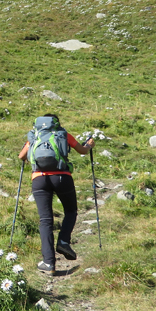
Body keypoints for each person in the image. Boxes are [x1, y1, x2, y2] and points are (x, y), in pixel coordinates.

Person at [18, 114, 94, 275]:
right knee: (71, 211)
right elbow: (82, 151)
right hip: (61, 177)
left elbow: (21, 156)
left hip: (39, 179)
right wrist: (89, 145)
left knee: (45, 220)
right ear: (57, 122)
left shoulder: (35, 135)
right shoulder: (62, 134)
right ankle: (63, 242)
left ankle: (49, 263)